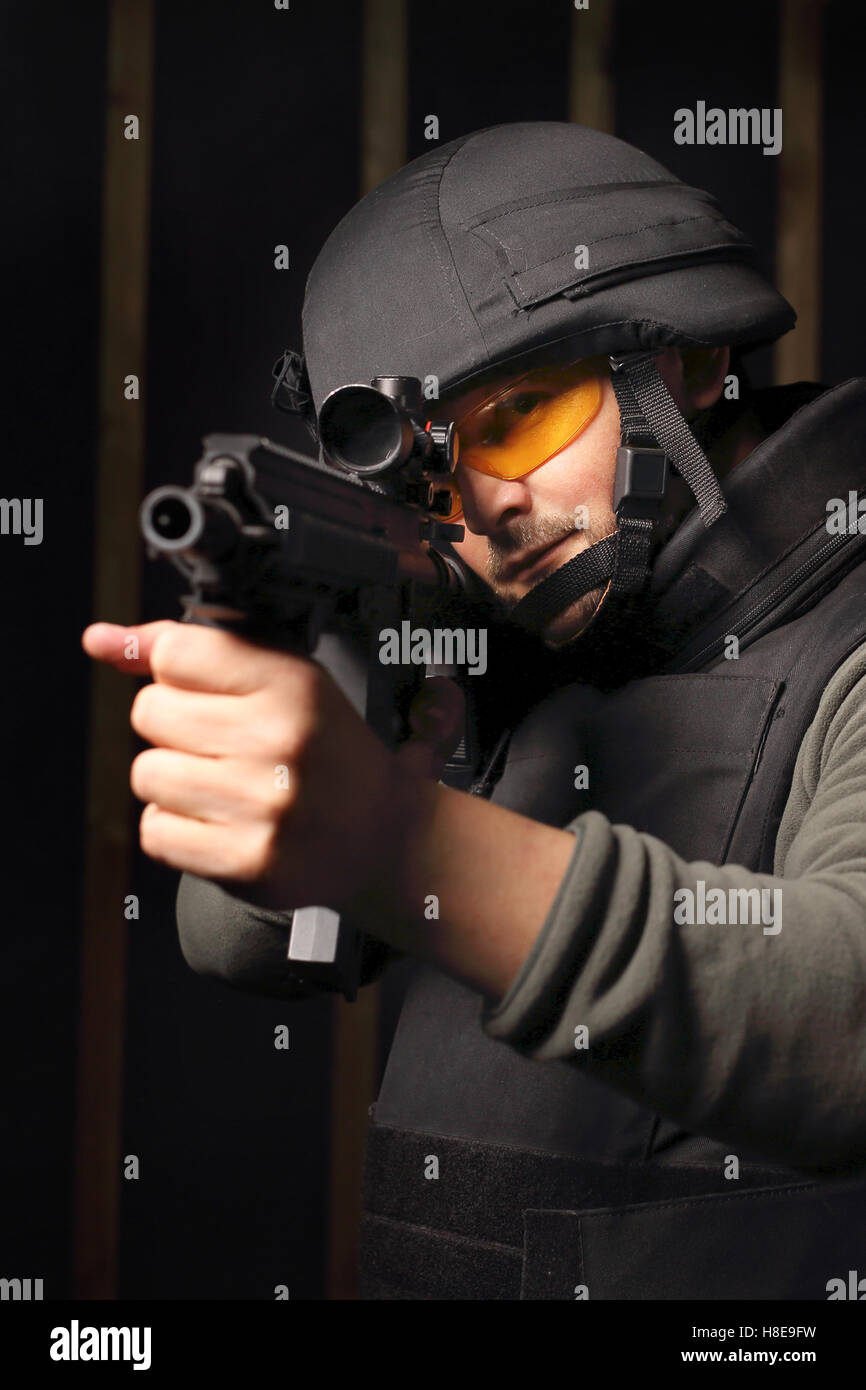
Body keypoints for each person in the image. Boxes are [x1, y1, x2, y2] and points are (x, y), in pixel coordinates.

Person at [84, 122, 866, 1300]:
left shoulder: (842, 613)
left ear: (691, 365)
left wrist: (400, 843)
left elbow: (839, 1028)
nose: (491, 508)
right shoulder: (506, 654)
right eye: (432, 473)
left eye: (519, 417)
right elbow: (249, 944)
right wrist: (327, 670)